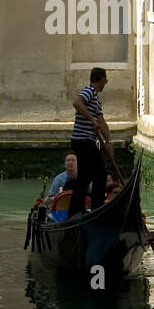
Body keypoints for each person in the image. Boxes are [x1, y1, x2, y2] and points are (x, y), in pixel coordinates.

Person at [67, 67, 114, 218]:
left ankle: (75, 211)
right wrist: (90, 118)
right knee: (100, 174)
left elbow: (101, 121)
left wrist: (109, 142)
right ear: (101, 80)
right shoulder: (89, 91)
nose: (105, 83)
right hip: (83, 140)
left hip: (85, 141)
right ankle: (97, 209)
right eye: (105, 80)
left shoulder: (96, 99)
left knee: (85, 177)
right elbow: (76, 102)